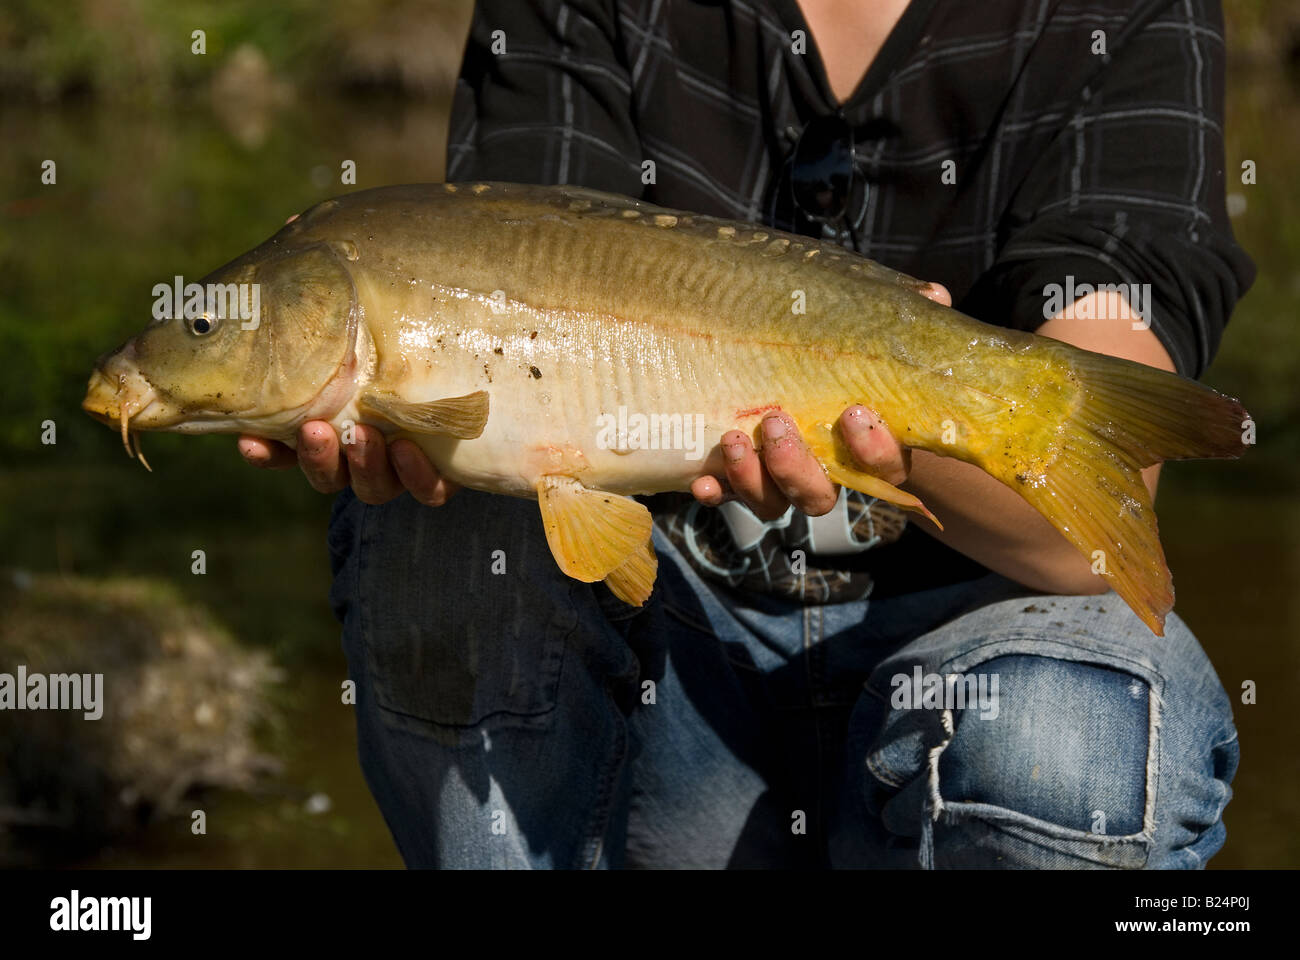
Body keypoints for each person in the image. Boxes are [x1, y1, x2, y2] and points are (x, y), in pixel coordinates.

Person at [239, 0, 1253, 867]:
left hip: (986, 624)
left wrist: (883, 425)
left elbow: (1073, 540)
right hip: (663, 638)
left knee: (1060, 740)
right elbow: (523, 257)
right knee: (437, 540)